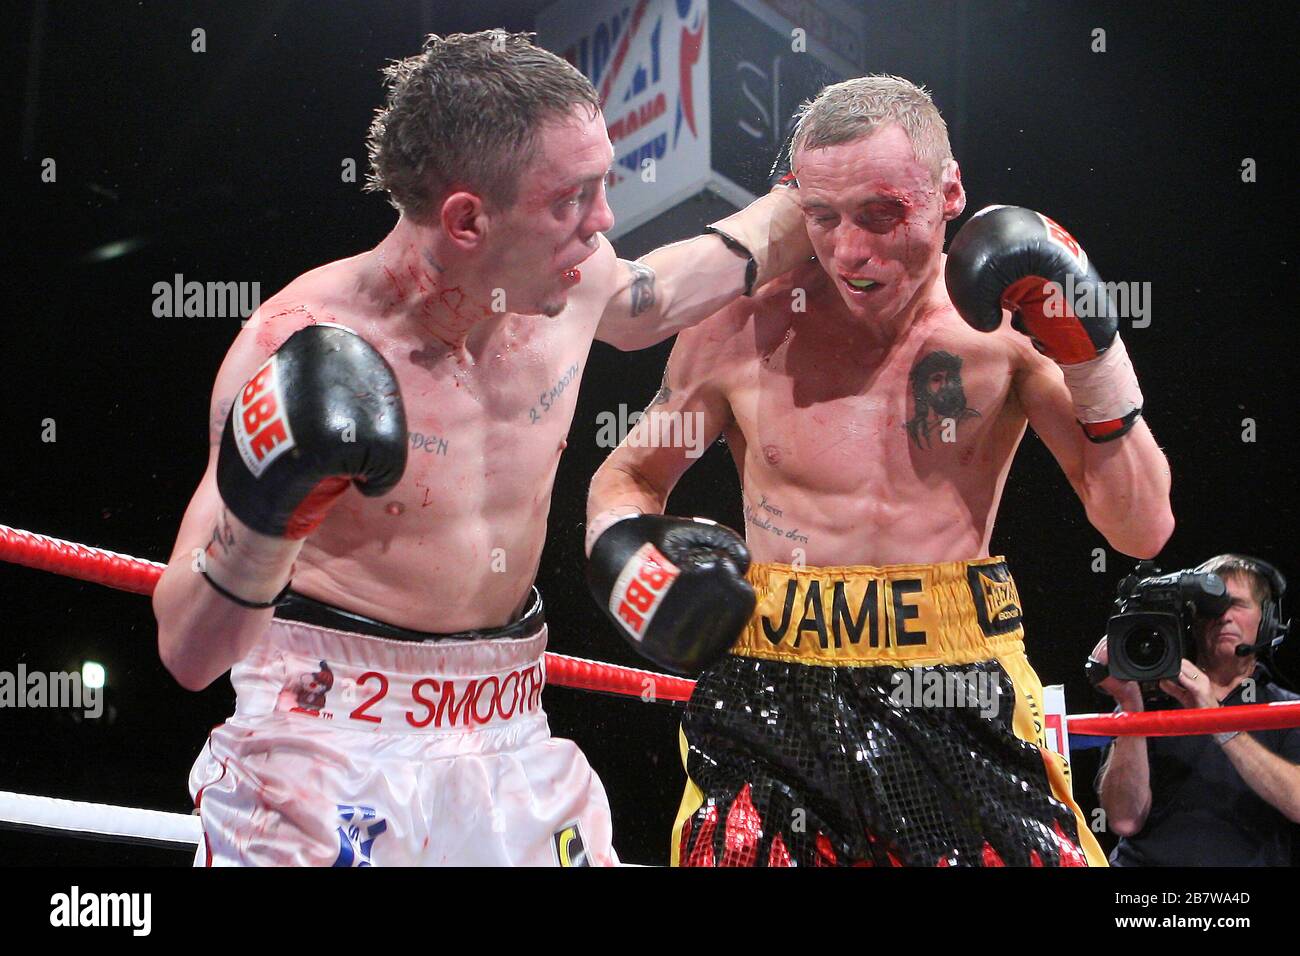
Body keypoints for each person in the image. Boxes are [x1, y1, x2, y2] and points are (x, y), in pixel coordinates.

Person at [151, 30, 811, 866]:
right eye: (571, 199)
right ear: (467, 220)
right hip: (323, 730)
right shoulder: (294, 345)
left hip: (510, 728)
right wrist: (264, 518)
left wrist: (805, 194)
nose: (602, 221)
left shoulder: (574, 282)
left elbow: (659, 294)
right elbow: (188, 652)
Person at [585, 74, 1174, 866]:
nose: (850, 251)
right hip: (771, 682)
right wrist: (630, 559)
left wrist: (1097, 358)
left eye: (882, 213)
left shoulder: (1009, 331)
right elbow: (630, 476)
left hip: (958, 681)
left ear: (949, 191)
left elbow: (1139, 528)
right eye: (821, 217)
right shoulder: (740, 326)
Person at [1093, 555, 1300, 865]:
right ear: (1193, 621)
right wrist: (1130, 707)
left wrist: (1214, 719)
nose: (1224, 616)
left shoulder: (1289, 709)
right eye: (1212, 606)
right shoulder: (1147, 703)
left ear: (1267, 619)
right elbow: (1124, 820)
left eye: (1238, 604)